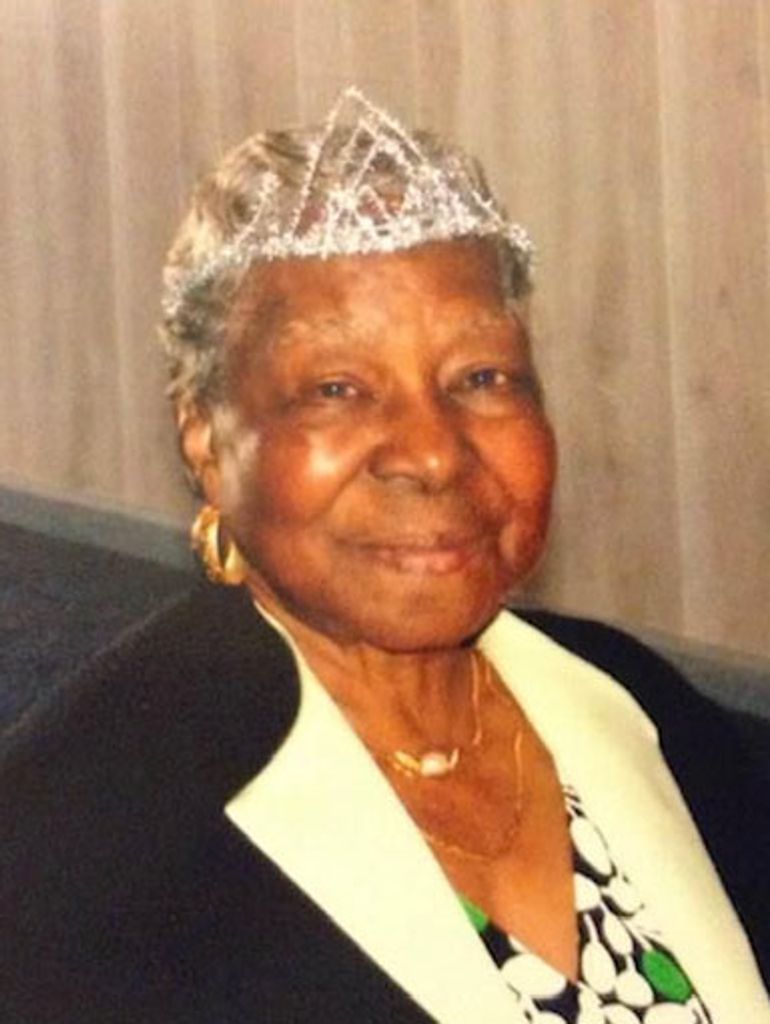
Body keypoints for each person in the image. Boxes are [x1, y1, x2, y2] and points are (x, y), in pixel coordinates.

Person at [1, 87, 767, 1024]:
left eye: (481, 377)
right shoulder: (77, 845)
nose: (433, 453)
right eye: (337, 388)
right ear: (205, 438)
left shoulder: (643, 706)